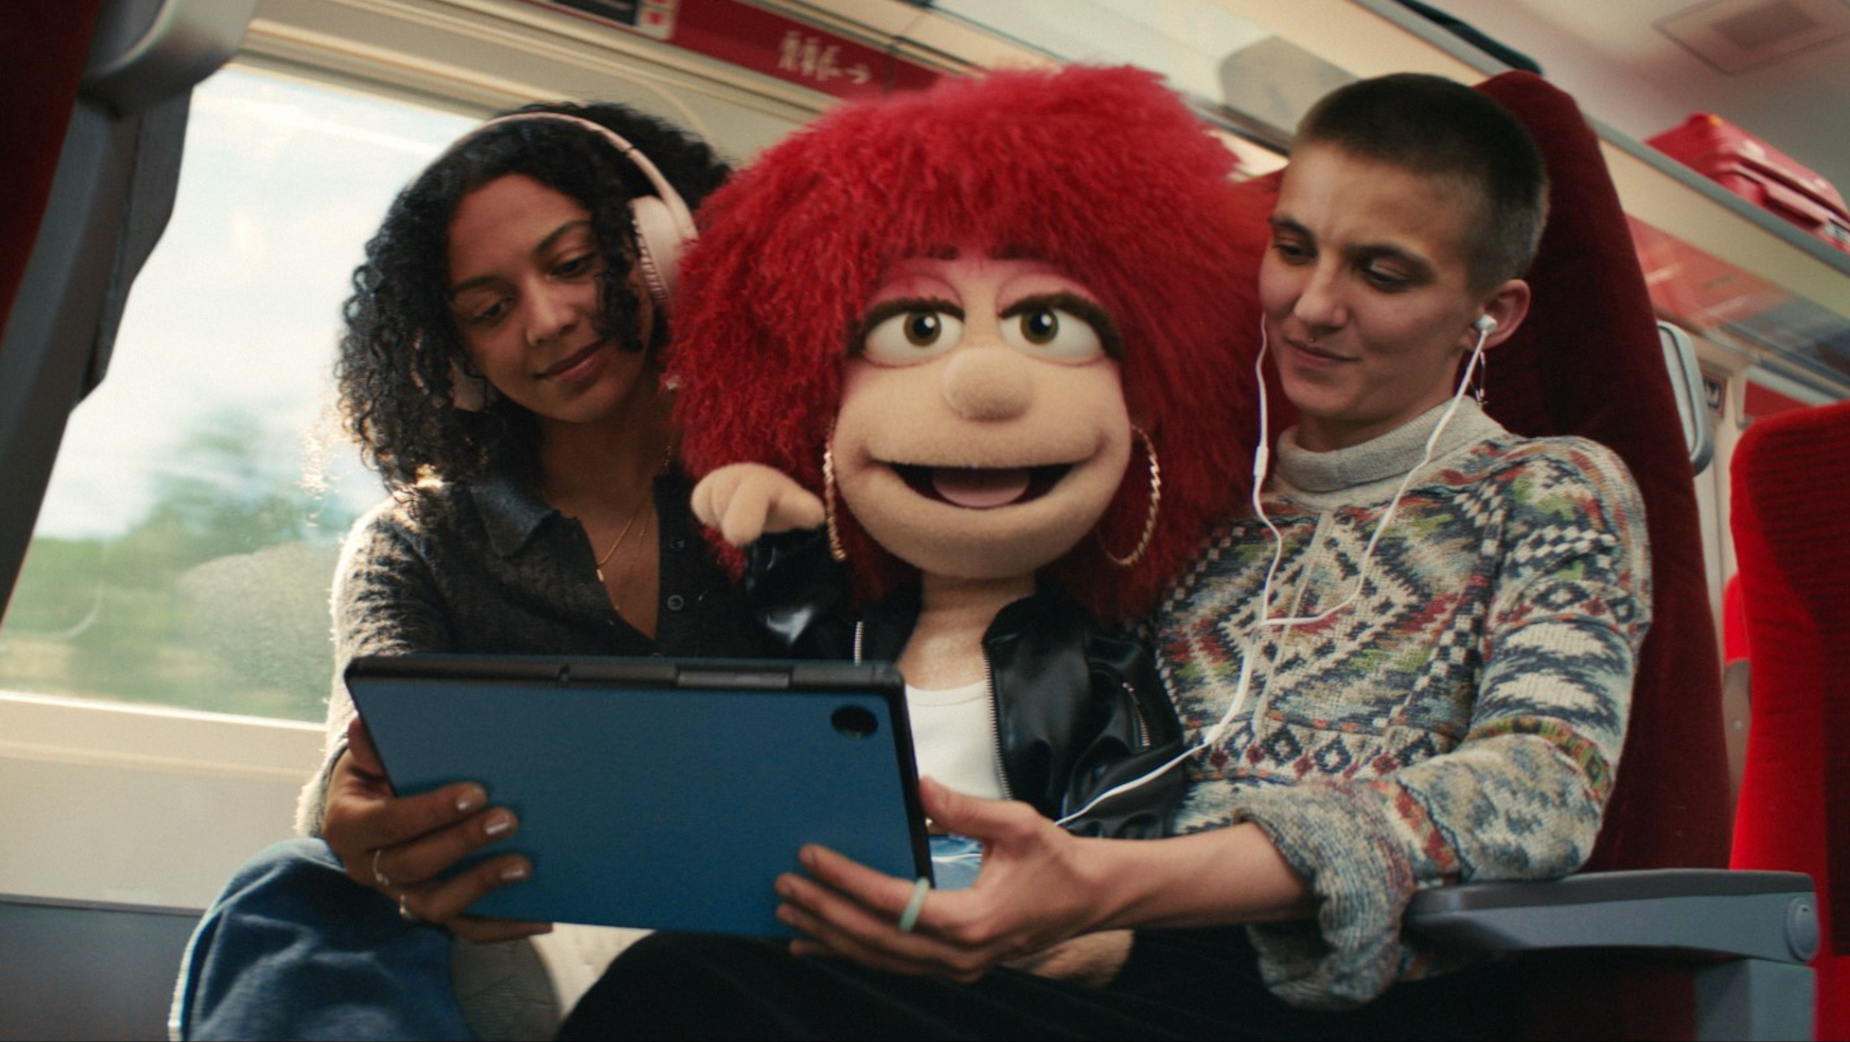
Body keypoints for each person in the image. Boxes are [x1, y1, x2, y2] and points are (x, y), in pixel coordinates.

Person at [558, 71, 1652, 1039]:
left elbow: (1539, 786)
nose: (1312, 307)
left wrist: (1119, 880)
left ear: (1491, 313)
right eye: (1291, 247)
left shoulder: (1550, 487)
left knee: (696, 992)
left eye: (1382, 271)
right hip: (1107, 951)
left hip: (1350, 990)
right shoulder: (1204, 505)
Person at [172, 100, 773, 1040]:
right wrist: (362, 821)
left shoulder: (787, 495)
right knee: (291, 886)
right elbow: (359, 764)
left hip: (755, 939)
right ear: (457, 359)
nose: (547, 320)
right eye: (489, 311)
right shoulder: (415, 541)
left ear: (663, 250)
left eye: (575, 264)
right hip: (506, 929)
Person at [678, 63, 1266, 885]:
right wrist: (785, 538)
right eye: (920, 326)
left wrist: (1084, 906)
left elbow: (1126, 788)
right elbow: (787, 655)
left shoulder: (1094, 657)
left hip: (1006, 932)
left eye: (1044, 323)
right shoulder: (859, 629)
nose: (984, 383)